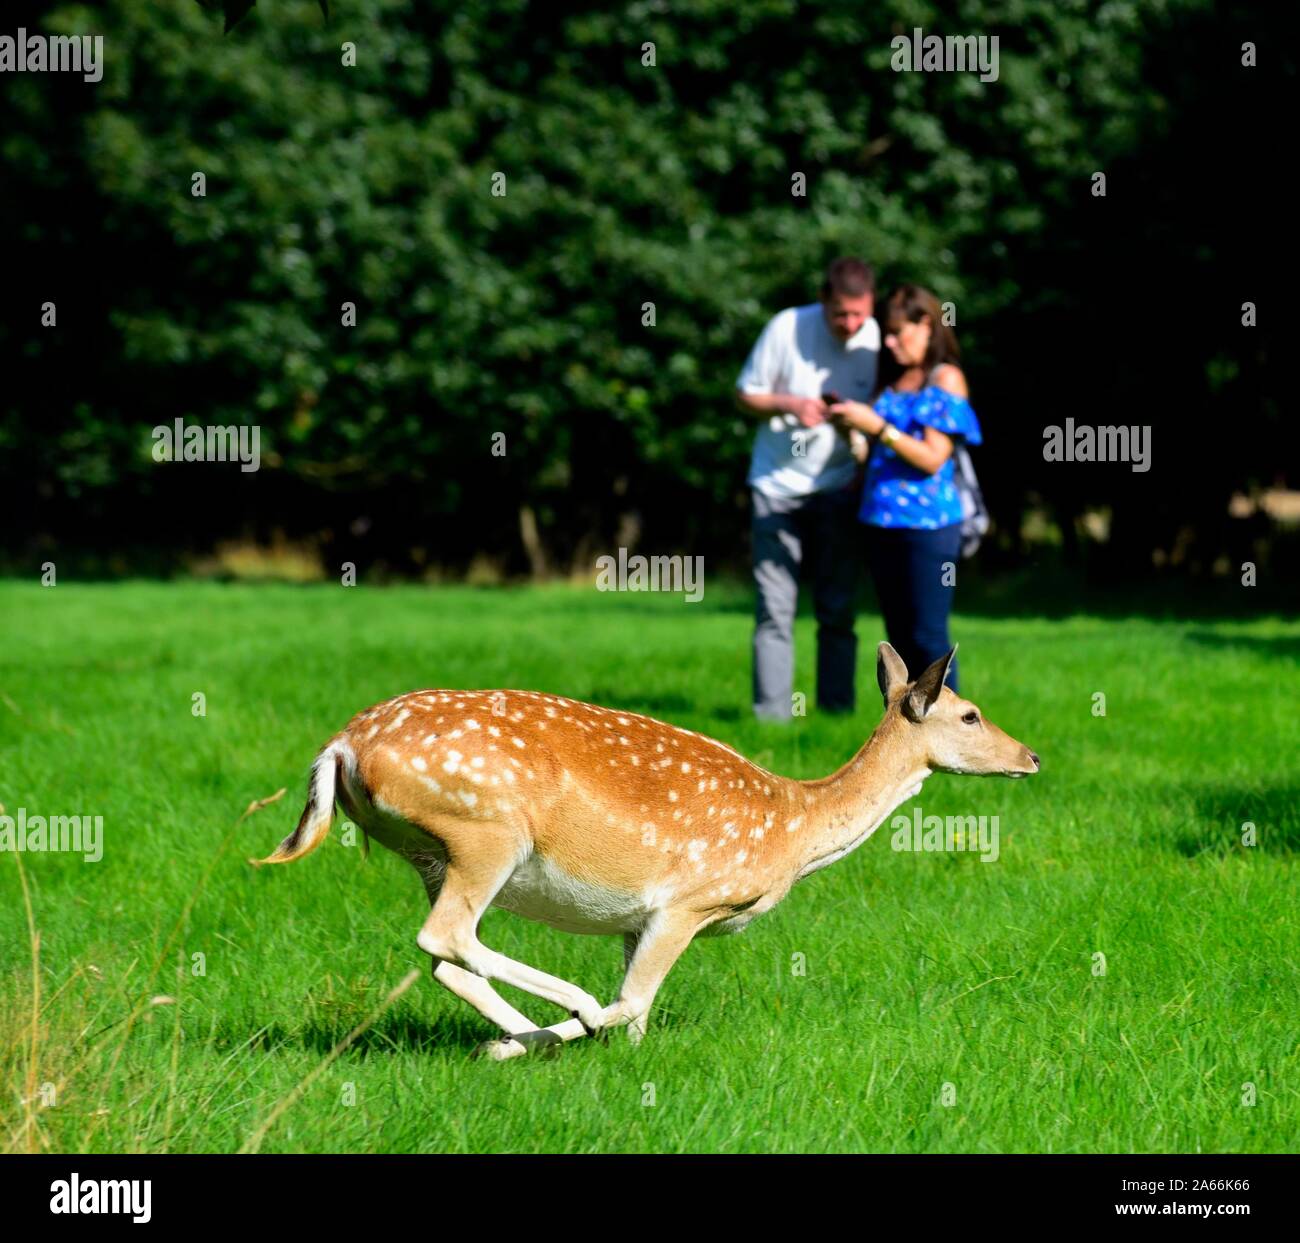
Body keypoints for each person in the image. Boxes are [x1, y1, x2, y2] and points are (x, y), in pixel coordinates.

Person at [734, 257, 881, 720]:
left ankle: (836, 711)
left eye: (859, 314)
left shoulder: (878, 339)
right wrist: (790, 403)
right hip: (776, 485)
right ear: (823, 302)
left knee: (837, 609)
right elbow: (746, 394)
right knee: (775, 610)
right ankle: (771, 717)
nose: (851, 324)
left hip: (839, 484)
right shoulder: (786, 327)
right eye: (841, 314)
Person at [827, 284, 982, 693]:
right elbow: (873, 456)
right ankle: (906, 742)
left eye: (899, 333)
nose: (891, 343)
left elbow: (933, 457)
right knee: (898, 643)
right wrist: (852, 432)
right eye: (887, 335)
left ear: (927, 324)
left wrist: (878, 426)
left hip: (927, 527)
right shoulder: (894, 381)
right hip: (880, 522)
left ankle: (953, 735)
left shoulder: (944, 378)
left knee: (929, 640)